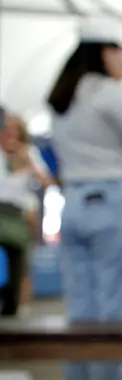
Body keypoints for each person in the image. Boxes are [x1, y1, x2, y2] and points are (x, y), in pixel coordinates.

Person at [47, 19, 122, 380]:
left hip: (73, 202)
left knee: (81, 310)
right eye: (121, 51)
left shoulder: (61, 99)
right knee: (114, 312)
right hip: (113, 201)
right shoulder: (108, 93)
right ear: (105, 51)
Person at [0, 115, 53, 316]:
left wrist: (27, 161)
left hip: (19, 212)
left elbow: (46, 182)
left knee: (20, 259)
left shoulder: (30, 153)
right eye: (7, 128)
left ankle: (16, 303)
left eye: (14, 129)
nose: (10, 133)